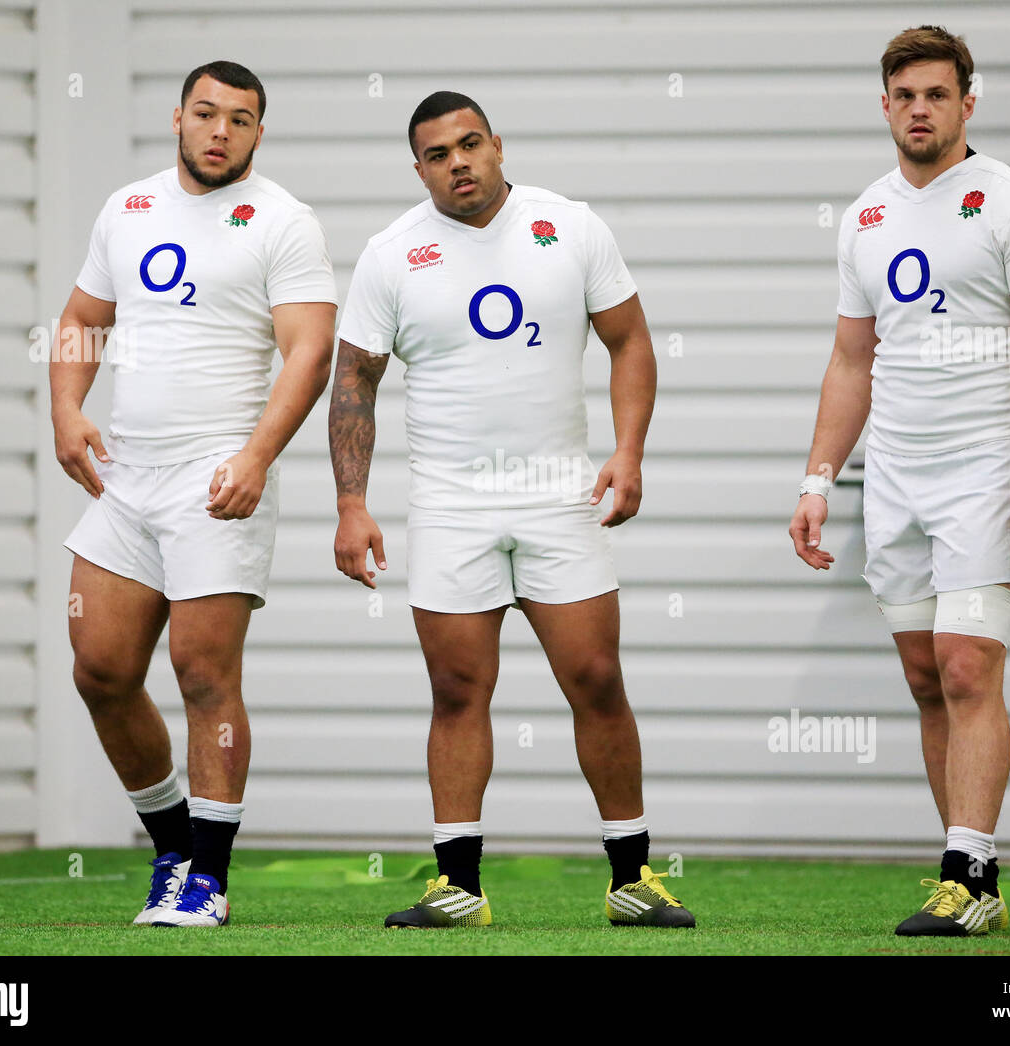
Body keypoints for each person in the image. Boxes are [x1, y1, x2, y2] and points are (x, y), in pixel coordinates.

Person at [329, 91, 694, 929]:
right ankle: (457, 886)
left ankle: (633, 879)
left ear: (497, 144)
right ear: (418, 168)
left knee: (596, 679)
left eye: (469, 144)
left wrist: (629, 451)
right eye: (437, 154)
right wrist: (351, 503)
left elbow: (630, 340)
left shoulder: (570, 226)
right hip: (451, 505)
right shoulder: (391, 255)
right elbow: (354, 382)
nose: (457, 163)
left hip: (559, 498)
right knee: (456, 690)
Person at [788, 26, 1010, 936]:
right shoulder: (864, 217)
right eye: (906, 96)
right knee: (925, 677)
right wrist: (817, 480)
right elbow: (852, 361)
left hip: (988, 468)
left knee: (966, 663)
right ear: (886, 106)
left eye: (937, 95)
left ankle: (971, 875)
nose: (920, 110)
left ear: (967, 102)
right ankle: (964, 871)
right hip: (896, 476)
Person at [51, 60, 337, 927]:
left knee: (203, 673)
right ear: (177, 118)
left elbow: (310, 351)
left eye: (240, 119)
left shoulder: (283, 220)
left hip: (218, 476)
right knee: (100, 669)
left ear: (259, 133)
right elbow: (82, 320)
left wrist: (256, 457)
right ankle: (173, 848)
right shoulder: (128, 207)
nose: (221, 131)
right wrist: (67, 409)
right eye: (206, 113)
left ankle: (207, 881)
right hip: (126, 477)